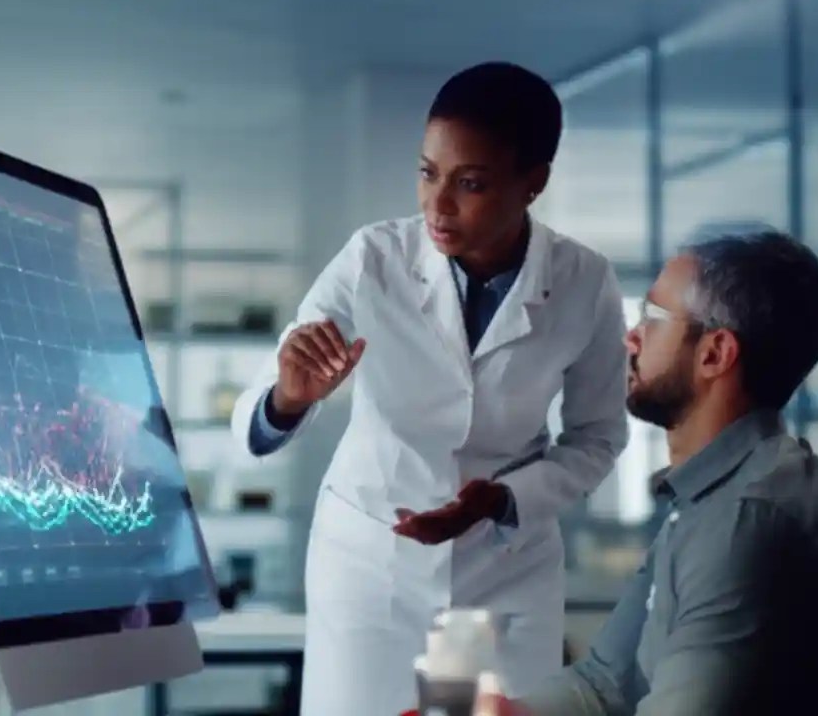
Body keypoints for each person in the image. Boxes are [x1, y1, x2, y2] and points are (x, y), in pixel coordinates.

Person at [229, 62, 629, 715]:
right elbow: (271, 393)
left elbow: (597, 438)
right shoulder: (373, 258)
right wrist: (291, 396)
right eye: (427, 173)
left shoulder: (584, 282)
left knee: (481, 714)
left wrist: (501, 499)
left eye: (469, 184)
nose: (437, 206)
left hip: (499, 567)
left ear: (534, 183)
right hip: (373, 562)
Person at [490, 231, 818, 715]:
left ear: (715, 354)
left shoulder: (751, 515)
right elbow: (602, 686)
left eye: (652, 320)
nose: (630, 338)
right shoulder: (708, 497)